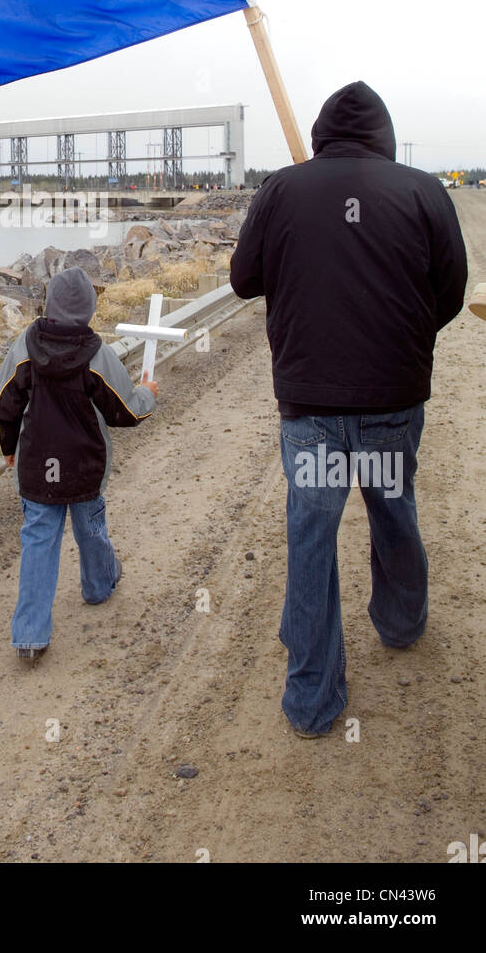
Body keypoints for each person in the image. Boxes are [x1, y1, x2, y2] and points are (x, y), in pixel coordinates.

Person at [230, 81, 467, 737]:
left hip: (307, 405)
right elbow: (449, 292)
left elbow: (242, 279)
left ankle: (310, 701)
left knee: (310, 537)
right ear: (383, 136)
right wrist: (408, 337)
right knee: (393, 509)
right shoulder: (423, 190)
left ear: (321, 134)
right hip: (393, 396)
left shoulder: (282, 187)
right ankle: (401, 622)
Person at [0, 267, 157, 661]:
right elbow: (124, 411)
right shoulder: (98, 354)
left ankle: (30, 637)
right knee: (91, 528)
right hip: (84, 465)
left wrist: (7, 448)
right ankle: (99, 587)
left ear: (48, 304)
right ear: (89, 309)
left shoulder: (23, 348)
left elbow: (3, 406)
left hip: (36, 466)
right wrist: (147, 394)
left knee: (37, 542)